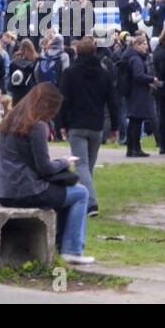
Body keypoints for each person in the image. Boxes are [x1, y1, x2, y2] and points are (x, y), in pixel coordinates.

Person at [0, 83, 94, 264]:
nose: (54, 115)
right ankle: (72, 249)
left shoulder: (9, 121)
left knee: (65, 195)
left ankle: (60, 245)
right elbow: (44, 168)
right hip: (27, 190)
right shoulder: (37, 126)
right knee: (81, 193)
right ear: (47, 106)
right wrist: (64, 162)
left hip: (5, 191)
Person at [59, 37, 120, 216]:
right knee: (88, 166)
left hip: (77, 124)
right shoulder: (104, 73)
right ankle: (84, 201)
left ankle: (90, 203)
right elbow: (112, 102)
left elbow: (63, 100)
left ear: (77, 52)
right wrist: (115, 126)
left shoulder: (70, 73)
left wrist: (61, 123)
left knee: (82, 166)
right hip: (96, 124)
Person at [123, 35, 158, 158]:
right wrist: (152, 79)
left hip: (133, 93)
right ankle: (136, 148)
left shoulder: (132, 57)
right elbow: (138, 75)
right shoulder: (136, 59)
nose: (146, 46)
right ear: (136, 45)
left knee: (134, 121)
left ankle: (131, 148)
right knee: (136, 121)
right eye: (143, 44)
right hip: (138, 93)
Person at [8, 39, 39, 104]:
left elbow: (10, 73)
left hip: (16, 88)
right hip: (29, 88)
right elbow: (36, 76)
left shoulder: (15, 59)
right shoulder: (35, 60)